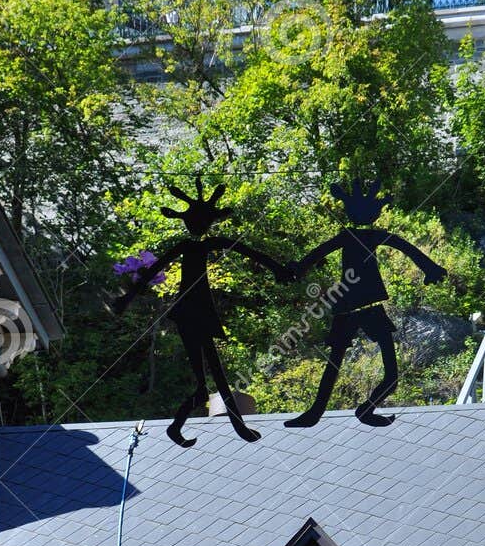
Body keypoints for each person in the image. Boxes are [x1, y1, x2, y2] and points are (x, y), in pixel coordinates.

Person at [114, 175, 286, 448]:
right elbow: (153, 271)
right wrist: (127, 298)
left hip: (192, 313)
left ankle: (178, 427)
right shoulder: (197, 246)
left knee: (204, 385)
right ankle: (237, 428)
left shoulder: (196, 246)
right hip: (193, 313)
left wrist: (278, 269)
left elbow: (244, 250)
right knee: (215, 373)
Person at [279, 179, 446, 429]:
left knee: (337, 366)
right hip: (362, 308)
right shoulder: (370, 236)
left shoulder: (350, 237)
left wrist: (296, 270)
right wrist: (430, 268)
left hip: (352, 308)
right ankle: (358, 409)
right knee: (384, 373)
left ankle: (333, 412)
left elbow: (316, 255)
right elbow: (406, 248)